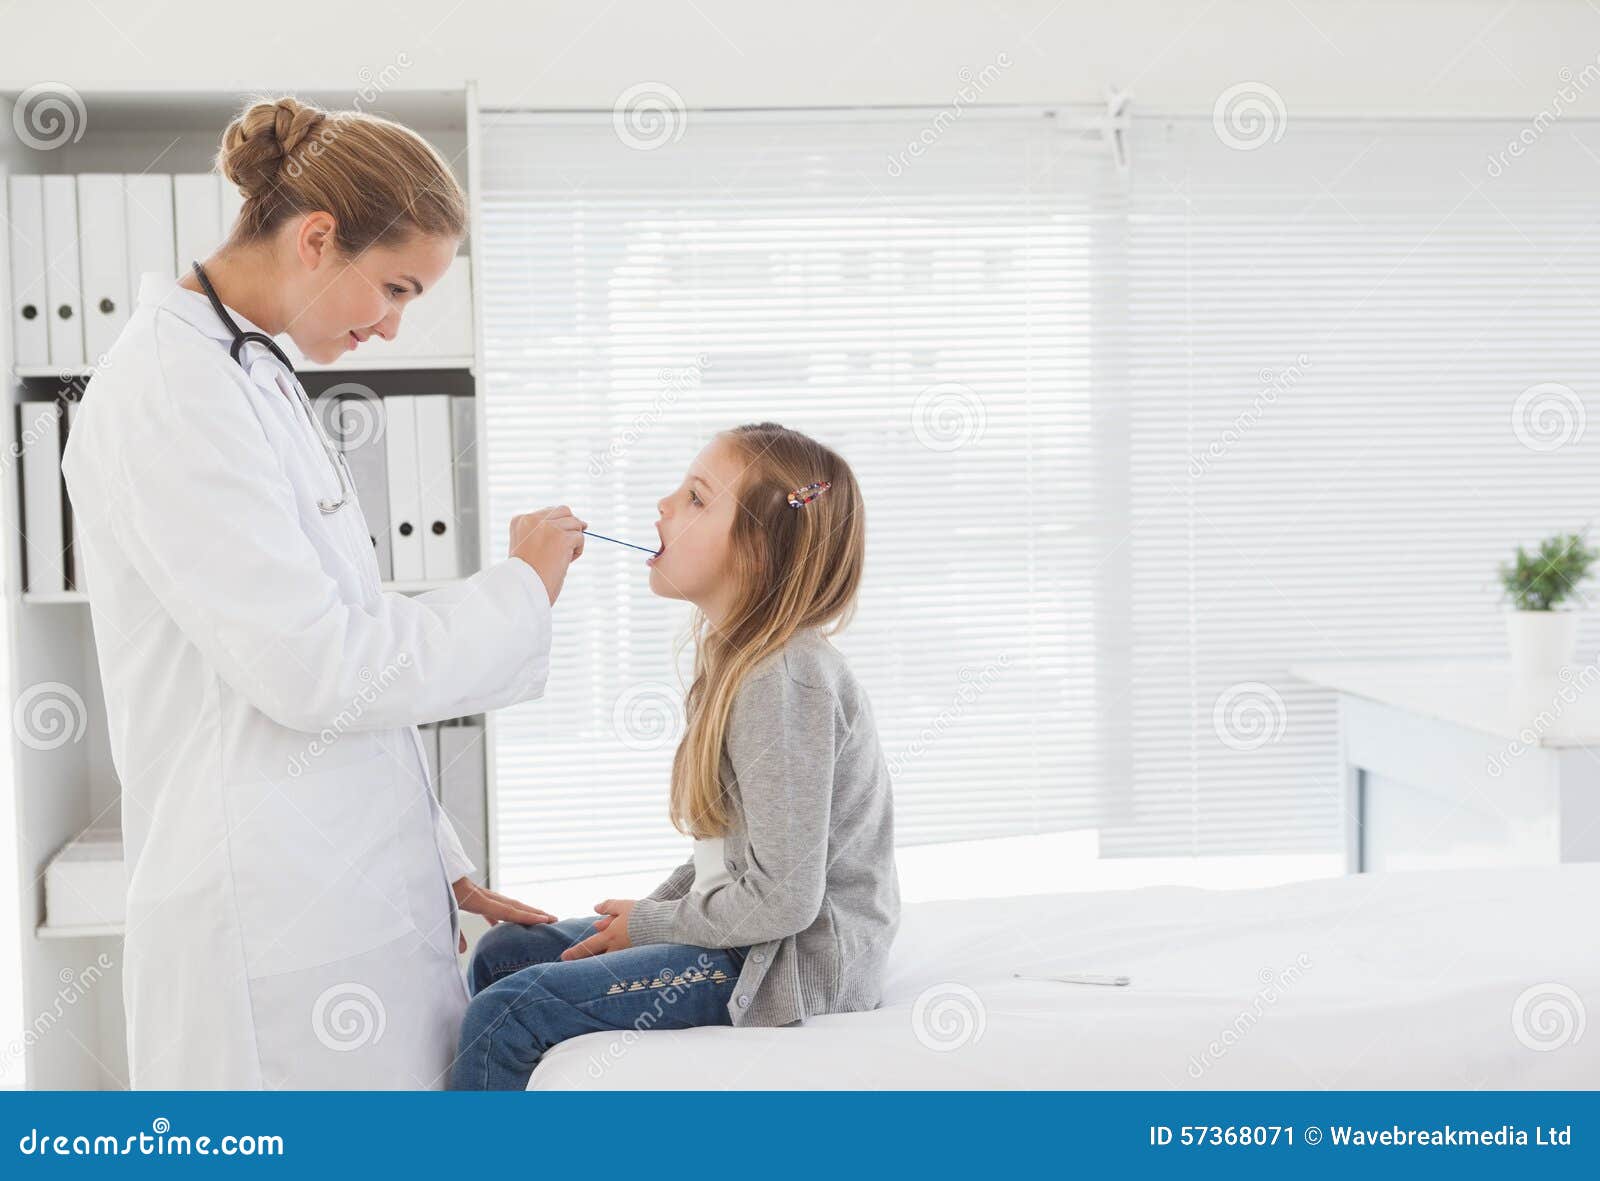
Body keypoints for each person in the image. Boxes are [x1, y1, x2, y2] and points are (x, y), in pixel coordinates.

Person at [60, 96, 579, 1089]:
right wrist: (519, 590)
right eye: (393, 288)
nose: (389, 326)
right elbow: (317, 666)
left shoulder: (250, 371)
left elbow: (343, 636)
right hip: (263, 926)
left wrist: (435, 854)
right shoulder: (174, 389)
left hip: (338, 893)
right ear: (315, 237)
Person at [450, 423, 901, 1090]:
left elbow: (783, 901)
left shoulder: (785, 678)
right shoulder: (741, 662)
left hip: (780, 963)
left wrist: (649, 923)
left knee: (506, 1013)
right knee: (503, 954)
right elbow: (726, 857)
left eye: (694, 498)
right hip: (755, 935)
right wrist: (639, 917)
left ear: (755, 552)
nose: (663, 505)